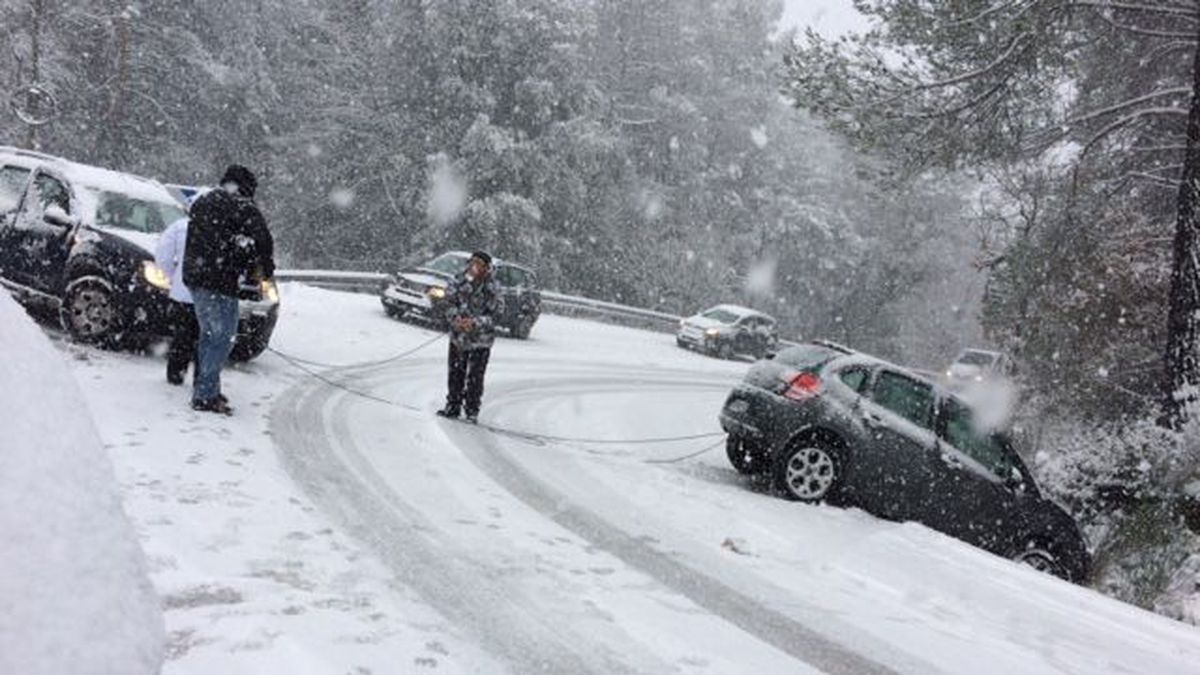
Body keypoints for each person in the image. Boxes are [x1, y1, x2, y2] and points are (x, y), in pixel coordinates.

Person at [183, 165, 274, 415]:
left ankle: (206, 387)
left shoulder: (203, 201)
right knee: (223, 339)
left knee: (209, 336)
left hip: (195, 277)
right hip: (219, 281)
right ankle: (205, 395)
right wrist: (264, 269)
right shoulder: (241, 206)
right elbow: (263, 241)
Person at [437, 251, 499, 423]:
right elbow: (448, 301)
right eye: (473, 262)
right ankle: (453, 406)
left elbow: (495, 314)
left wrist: (475, 322)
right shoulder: (459, 280)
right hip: (459, 338)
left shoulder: (492, 287)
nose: (474, 266)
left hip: (481, 340)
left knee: (476, 377)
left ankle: (472, 409)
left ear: (487, 268)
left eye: (479, 263)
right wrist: (456, 319)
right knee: (456, 372)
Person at [154, 215, 197, 385]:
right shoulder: (222, 227)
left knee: (182, 337)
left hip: (183, 293)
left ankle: (176, 374)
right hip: (210, 296)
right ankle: (202, 380)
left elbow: (163, 256)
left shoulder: (180, 227)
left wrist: (174, 276)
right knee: (206, 341)